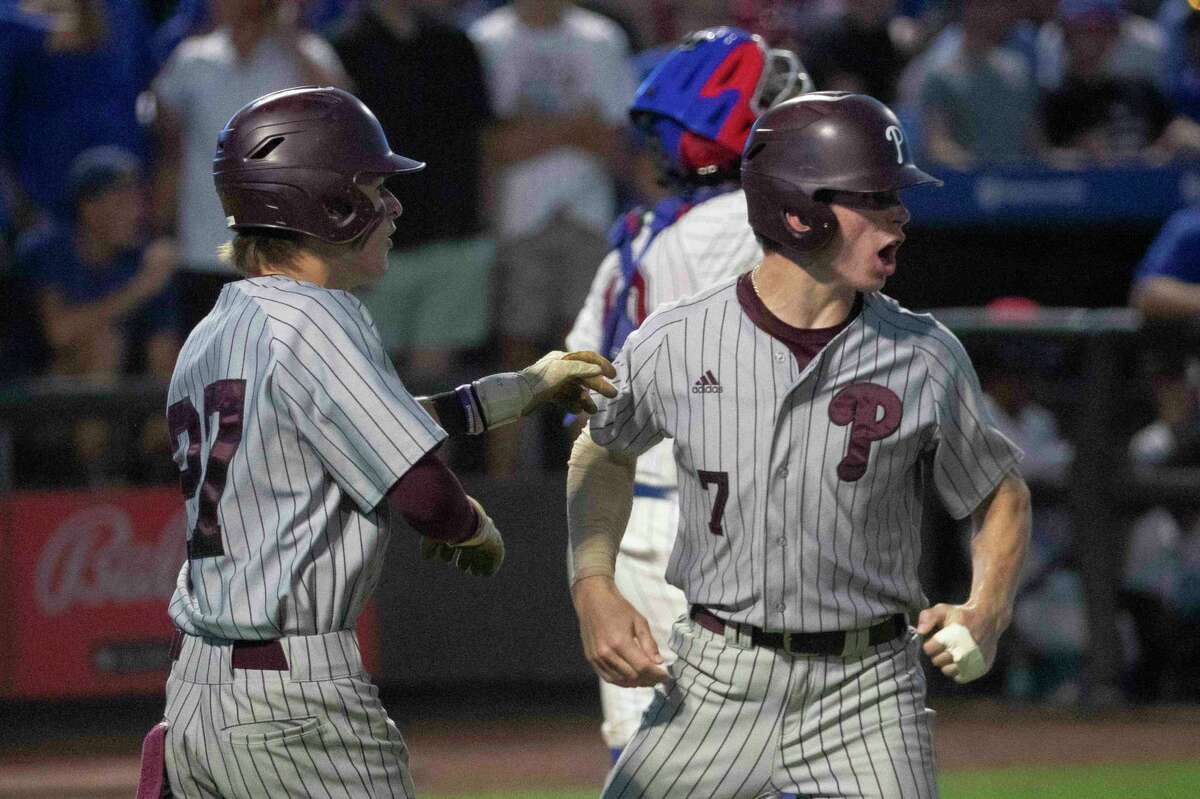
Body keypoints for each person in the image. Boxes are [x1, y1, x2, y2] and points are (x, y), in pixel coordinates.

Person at [141, 86, 616, 798]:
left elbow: (355, 427)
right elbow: (422, 488)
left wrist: (519, 389)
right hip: (293, 701)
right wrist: (468, 525)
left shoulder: (213, 329)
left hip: (197, 695)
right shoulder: (321, 316)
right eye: (372, 186)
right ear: (323, 200)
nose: (392, 207)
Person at [567, 92, 1032, 797]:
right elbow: (603, 450)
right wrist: (593, 585)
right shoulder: (676, 338)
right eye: (875, 197)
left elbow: (1000, 491)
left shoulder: (925, 354)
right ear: (799, 209)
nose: (899, 215)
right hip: (713, 683)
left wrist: (986, 610)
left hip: (868, 690)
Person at [565, 24, 811, 761]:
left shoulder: (638, 238)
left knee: (652, 755)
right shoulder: (745, 223)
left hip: (635, 516)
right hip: (709, 525)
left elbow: (580, 375)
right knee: (761, 755)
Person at [151, 0, 351, 332]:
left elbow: (342, 112)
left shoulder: (306, 54)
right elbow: (171, 147)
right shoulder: (192, 59)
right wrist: (163, 228)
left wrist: (288, 38)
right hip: (203, 248)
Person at [16, 146, 181, 485]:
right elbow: (58, 332)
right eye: (122, 201)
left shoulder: (142, 260)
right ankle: (91, 481)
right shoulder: (48, 248)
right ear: (89, 207)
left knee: (177, 369)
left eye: (138, 200)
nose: (136, 211)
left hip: (117, 407)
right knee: (103, 344)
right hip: (29, 397)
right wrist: (139, 289)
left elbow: (164, 350)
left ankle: (155, 475)